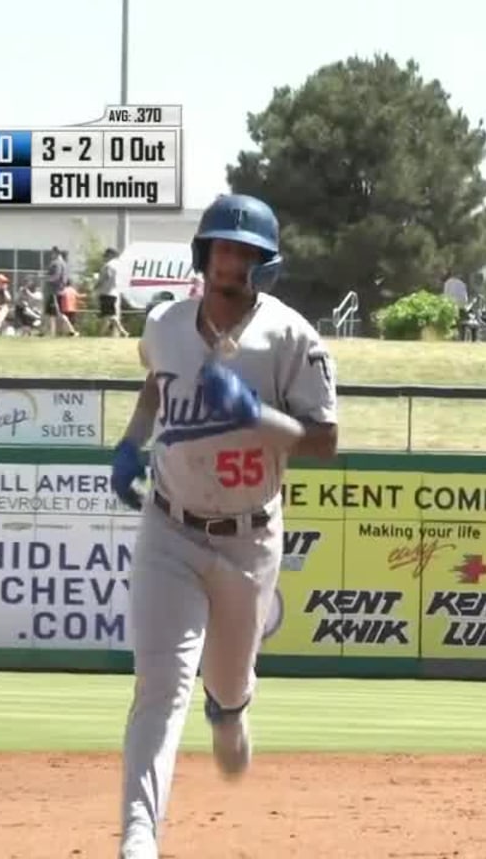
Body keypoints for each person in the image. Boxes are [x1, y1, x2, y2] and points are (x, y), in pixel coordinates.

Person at [110, 194, 338, 859]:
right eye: (219, 248)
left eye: (242, 252)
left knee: (228, 683)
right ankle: (137, 837)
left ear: (265, 265)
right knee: (160, 682)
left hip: (249, 538)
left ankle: (231, 712)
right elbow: (156, 385)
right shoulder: (166, 324)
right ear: (201, 254)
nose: (227, 262)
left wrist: (257, 415)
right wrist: (131, 441)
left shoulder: (292, 337)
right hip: (169, 528)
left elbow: (324, 441)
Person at [97, 247, 129, 338]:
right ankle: (122, 331)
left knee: (106, 314)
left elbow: (106, 276)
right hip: (115, 292)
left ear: (109, 255)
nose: (104, 257)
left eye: (106, 256)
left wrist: (97, 285)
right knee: (110, 314)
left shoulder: (108, 265)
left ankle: (102, 334)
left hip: (106, 292)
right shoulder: (119, 265)